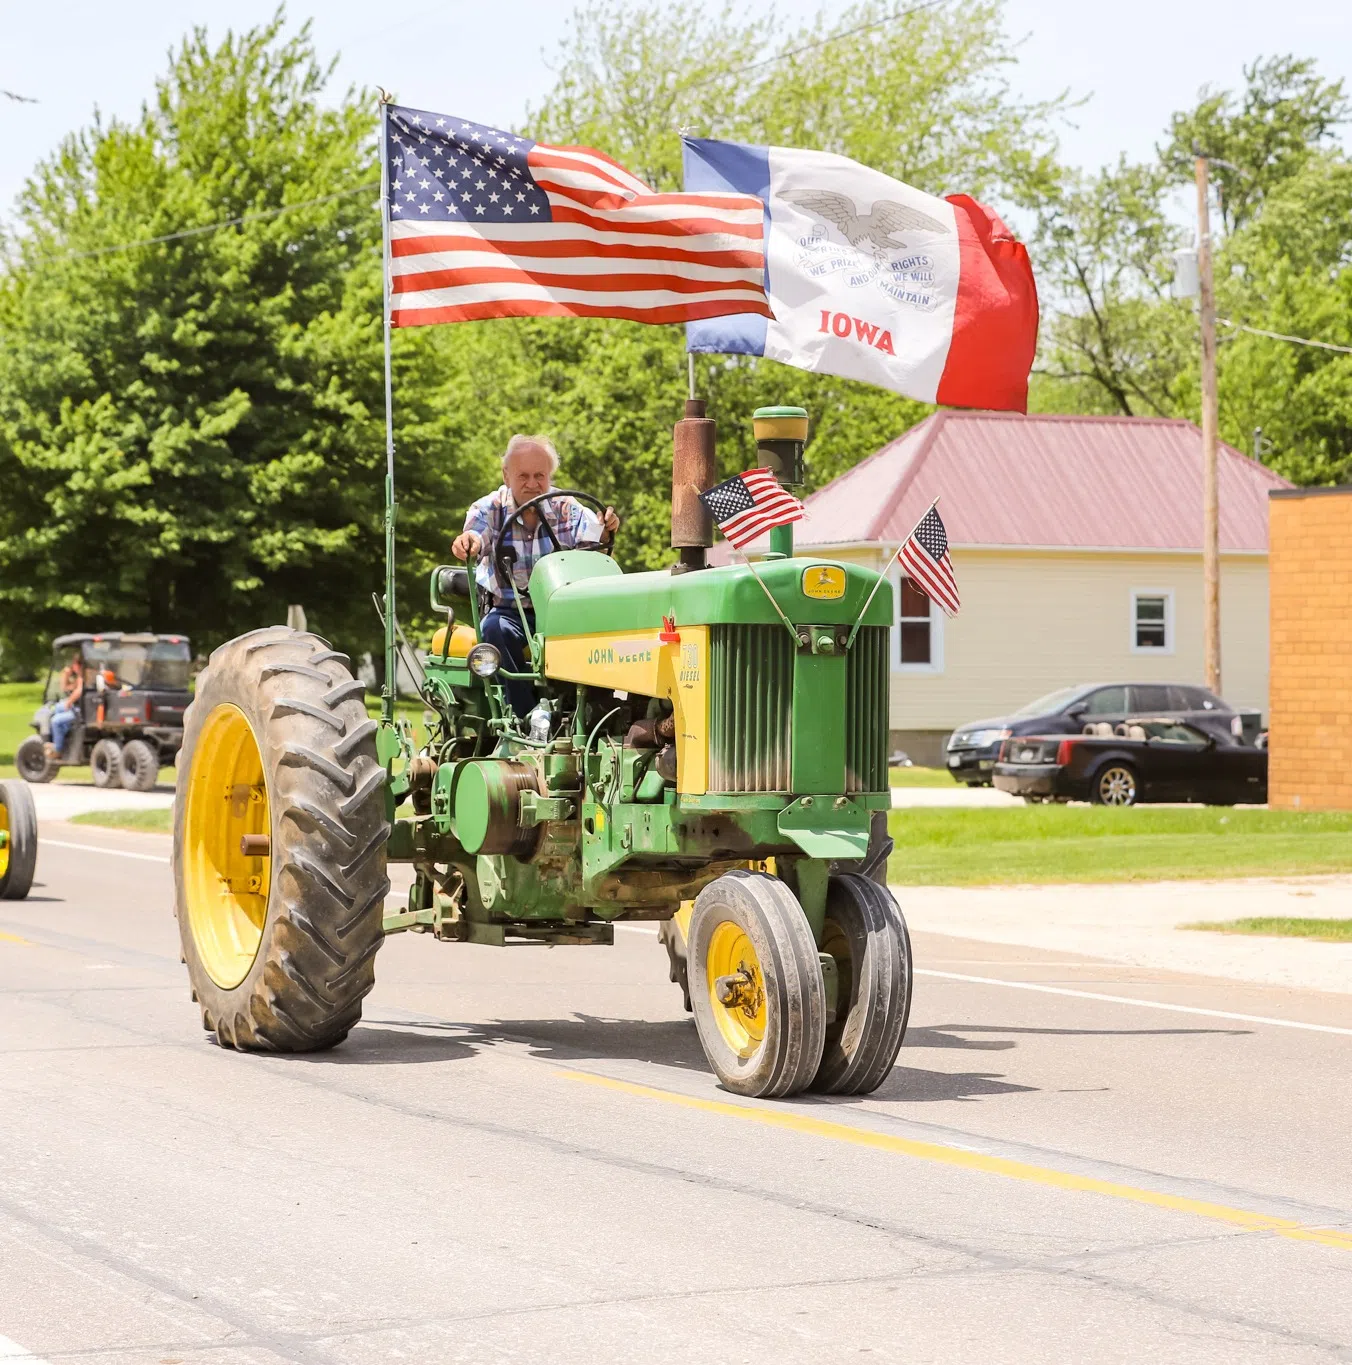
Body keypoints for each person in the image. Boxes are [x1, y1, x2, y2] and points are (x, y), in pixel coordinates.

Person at [452, 434, 619, 717]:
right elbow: (475, 535)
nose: (532, 484)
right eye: (523, 476)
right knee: (495, 629)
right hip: (510, 613)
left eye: (540, 475)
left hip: (561, 613)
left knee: (607, 629)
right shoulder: (489, 509)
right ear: (507, 475)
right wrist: (469, 543)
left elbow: (595, 542)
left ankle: (595, 715)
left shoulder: (567, 508)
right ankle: (526, 718)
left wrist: (606, 527)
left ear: (550, 475)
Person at [48, 650, 84, 759]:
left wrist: (69, 702)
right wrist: (66, 676)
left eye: (74, 664)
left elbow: (79, 691)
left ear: (78, 665)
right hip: (78, 708)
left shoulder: (84, 676)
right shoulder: (81, 676)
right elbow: (67, 688)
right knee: (57, 709)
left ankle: (58, 750)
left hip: (81, 711)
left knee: (55, 720)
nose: (72, 667)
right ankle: (62, 738)